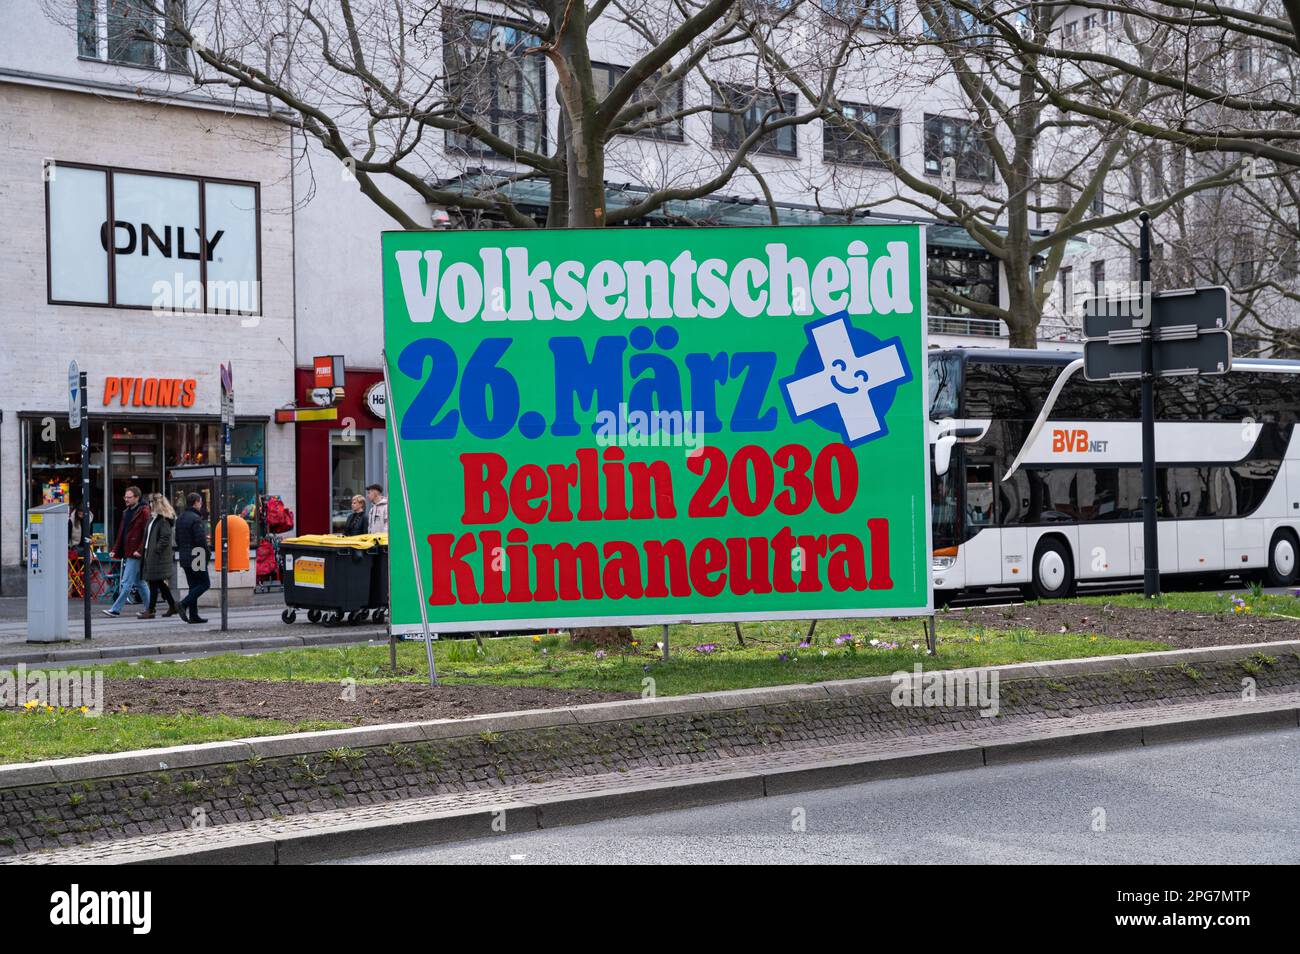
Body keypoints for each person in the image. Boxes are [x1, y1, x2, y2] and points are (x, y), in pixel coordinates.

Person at [103, 486, 150, 617]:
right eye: (125, 497)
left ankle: (116, 609)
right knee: (140, 583)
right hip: (129, 551)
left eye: (129, 497)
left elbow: (147, 534)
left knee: (126, 583)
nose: (126, 500)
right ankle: (150, 609)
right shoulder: (126, 512)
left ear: (137, 497)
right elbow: (121, 533)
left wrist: (140, 550)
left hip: (135, 553)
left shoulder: (144, 512)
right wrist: (115, 549)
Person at [138, 493, 179, 619]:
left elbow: (165, 538)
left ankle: (151, 610)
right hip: (150, 554)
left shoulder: (163, 520)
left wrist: (156, 550)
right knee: (158, 582)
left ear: (155, 504)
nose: (149, 505)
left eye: (151, 502)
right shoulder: (153, 518)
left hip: (157, 557)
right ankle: (173, 606)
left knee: (154, 583)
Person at [174, 492, 210, 624]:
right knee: (205, 583)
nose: (201, 505)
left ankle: (194, 615)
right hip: (197, 554)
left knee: (193, 585)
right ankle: (183, 604)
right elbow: (200, 540)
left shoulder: (181, 518)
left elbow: (177, 539)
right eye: (200, 502)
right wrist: (207, 553)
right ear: (195, 503)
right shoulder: (196, 519)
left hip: (184, 555)